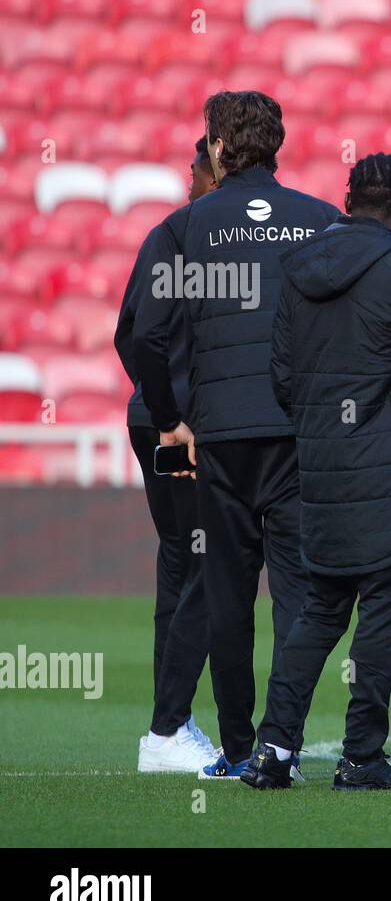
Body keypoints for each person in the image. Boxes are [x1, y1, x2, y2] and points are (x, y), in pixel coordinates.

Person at [241, 153, 391, 792]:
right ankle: (361, 755)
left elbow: (282, 377)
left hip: (324, 476)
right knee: (382, 624)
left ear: (346, 201)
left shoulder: (298, 267)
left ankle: (273, 751)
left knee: (317, 614)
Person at [132, 91, 338, 778]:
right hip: (298, 435)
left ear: (218, 148)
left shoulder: (184, 227)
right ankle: (284, 744)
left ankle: (242, 748)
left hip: (219, 438)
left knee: (228, 593)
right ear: (276, 146)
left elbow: (143, 335)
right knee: (301, 594)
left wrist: (170, 420)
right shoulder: (321, 221)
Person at [117, 138, 219, 773]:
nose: (190, 179)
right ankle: (167, 727)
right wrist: (172, 417)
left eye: (196, 168)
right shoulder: (208, 240)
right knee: (209, 564)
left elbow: (129, 333)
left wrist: (156, 407)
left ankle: (170, 724)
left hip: (156, 419)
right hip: (182, 428)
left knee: (181, 563)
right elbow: (138, 336)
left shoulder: (168, 236)